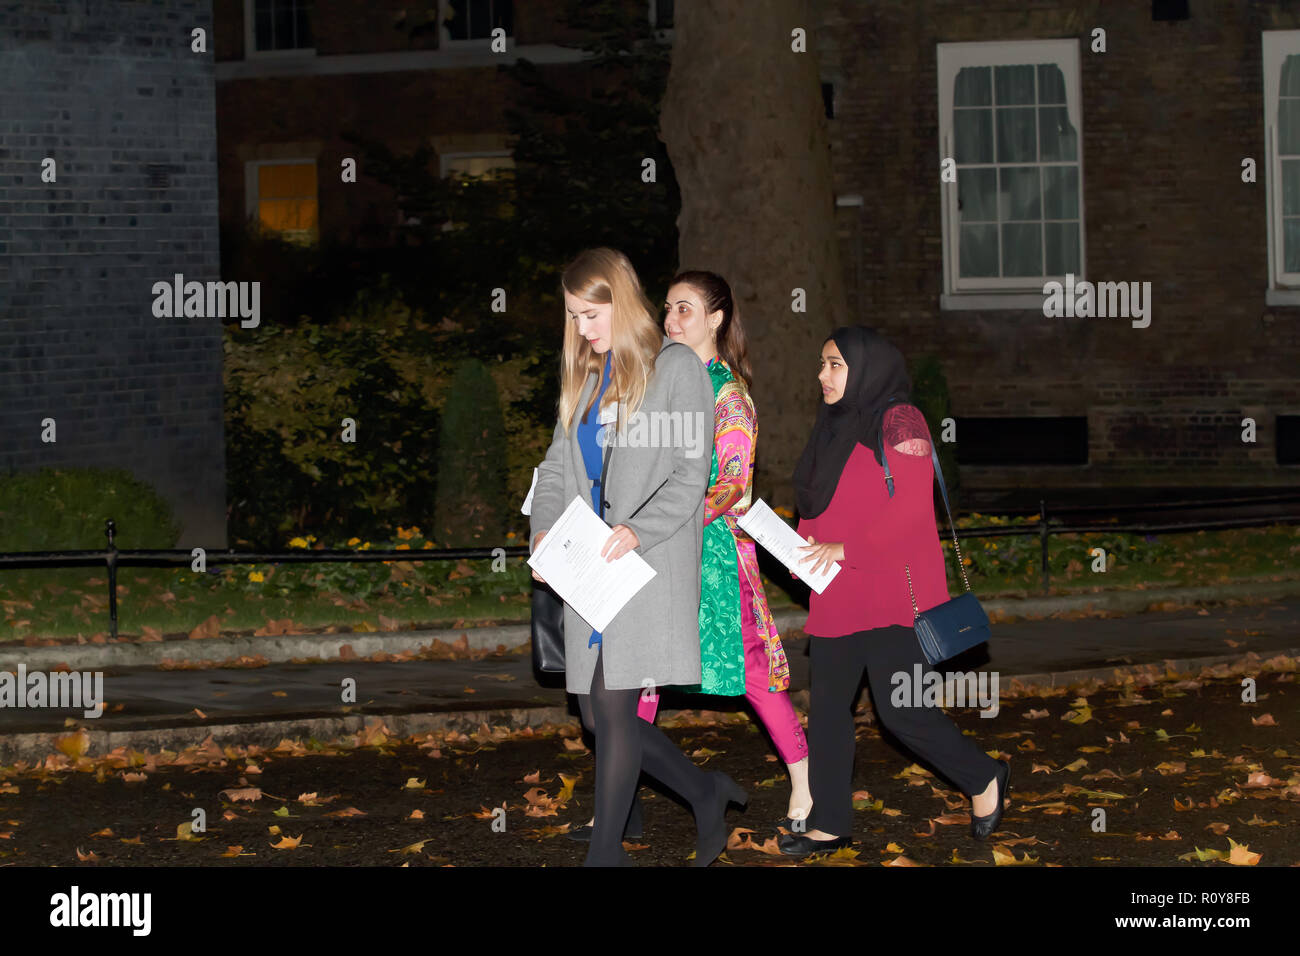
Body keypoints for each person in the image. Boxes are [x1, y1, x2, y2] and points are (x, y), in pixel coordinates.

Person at [529, 248, 747, 867]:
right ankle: (705, 793)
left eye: (592, 314)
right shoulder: (585, 376)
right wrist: (543, 533)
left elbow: (690, 475)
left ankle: (607, 853)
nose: (582, 329)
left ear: (621, 303)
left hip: (644, 562)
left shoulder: (674, 368)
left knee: (614, 705)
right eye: (574, 316)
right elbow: (554, 469)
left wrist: (637, 530)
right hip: (589, 566)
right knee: (598, 718)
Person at [777, 326, 1010, 858]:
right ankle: (829, 823)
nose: (822, 375)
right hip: (837, 592)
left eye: (835, 364)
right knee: (828, 711)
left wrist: (844, 548)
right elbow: (818, 503)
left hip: (893, 593)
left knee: (903, 712)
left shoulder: (901, 419)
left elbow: (910, 509)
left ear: (866, 367)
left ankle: (983, 777)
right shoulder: (831, 424)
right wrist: (801, 550)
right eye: (821, 364)